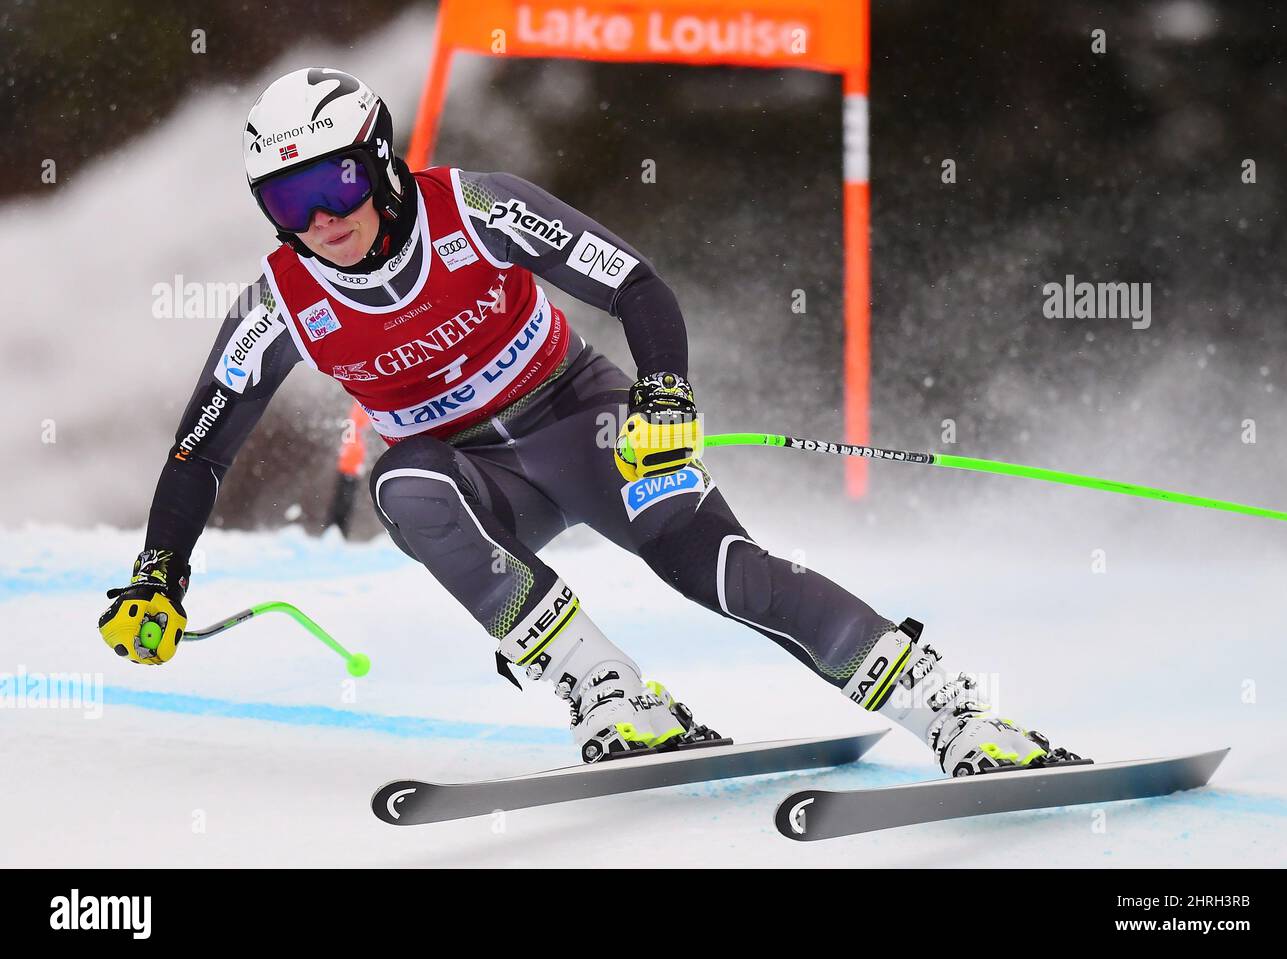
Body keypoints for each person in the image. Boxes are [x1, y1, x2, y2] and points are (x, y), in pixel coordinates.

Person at [98, 68, 1080, 774]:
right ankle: (611, 692)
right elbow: (199, 452)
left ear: (381, 163)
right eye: (287, 199)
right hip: (485, 480)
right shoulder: (279, 300)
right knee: (407, 487)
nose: (320, 219)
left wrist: (663, 394)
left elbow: (634, 283)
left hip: (584, 420)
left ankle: (955, 714)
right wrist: (159, 575)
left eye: (334, 184)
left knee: (720, 570)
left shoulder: (475, 209)